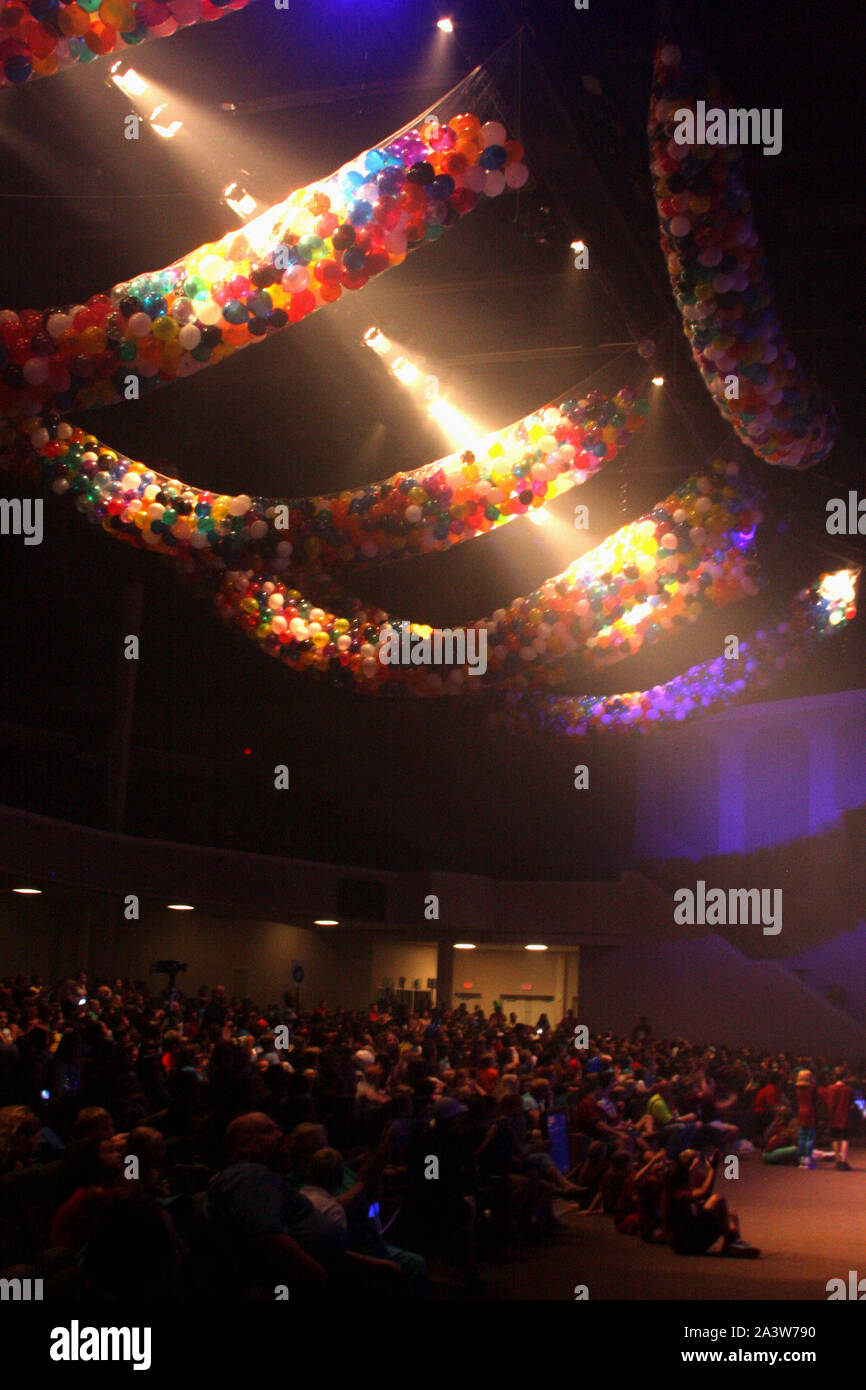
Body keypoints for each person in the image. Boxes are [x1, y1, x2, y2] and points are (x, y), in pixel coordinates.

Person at [668, 1149, 759, 1258]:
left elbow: (702, 1197)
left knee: (731, 1215)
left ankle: (732, 1243)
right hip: (685, 1242)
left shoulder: (692, 1180)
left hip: (694, 1231)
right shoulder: (676, 1192)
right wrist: (713, 1169)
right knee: (717, 1199)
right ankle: (732, 1243)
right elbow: (704, 1193)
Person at [826, 1067, 855, 1171]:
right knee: (844, 1139)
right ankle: (844, 1161)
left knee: (835, 1139)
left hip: (833, 1117)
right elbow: (852, 1104)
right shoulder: (849, 1089)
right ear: (845, 1077)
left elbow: (829, 1103)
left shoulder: (830, 1088)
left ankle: (837, 1161)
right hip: (845, 1117)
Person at [794, 1068, 817, 1169]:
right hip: (810, 1112)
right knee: (809, 1137)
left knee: (801, 1137)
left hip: (800, 1112)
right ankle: (807, 1159)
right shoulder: (812, 1089)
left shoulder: (797, 1088)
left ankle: (801, 1160)